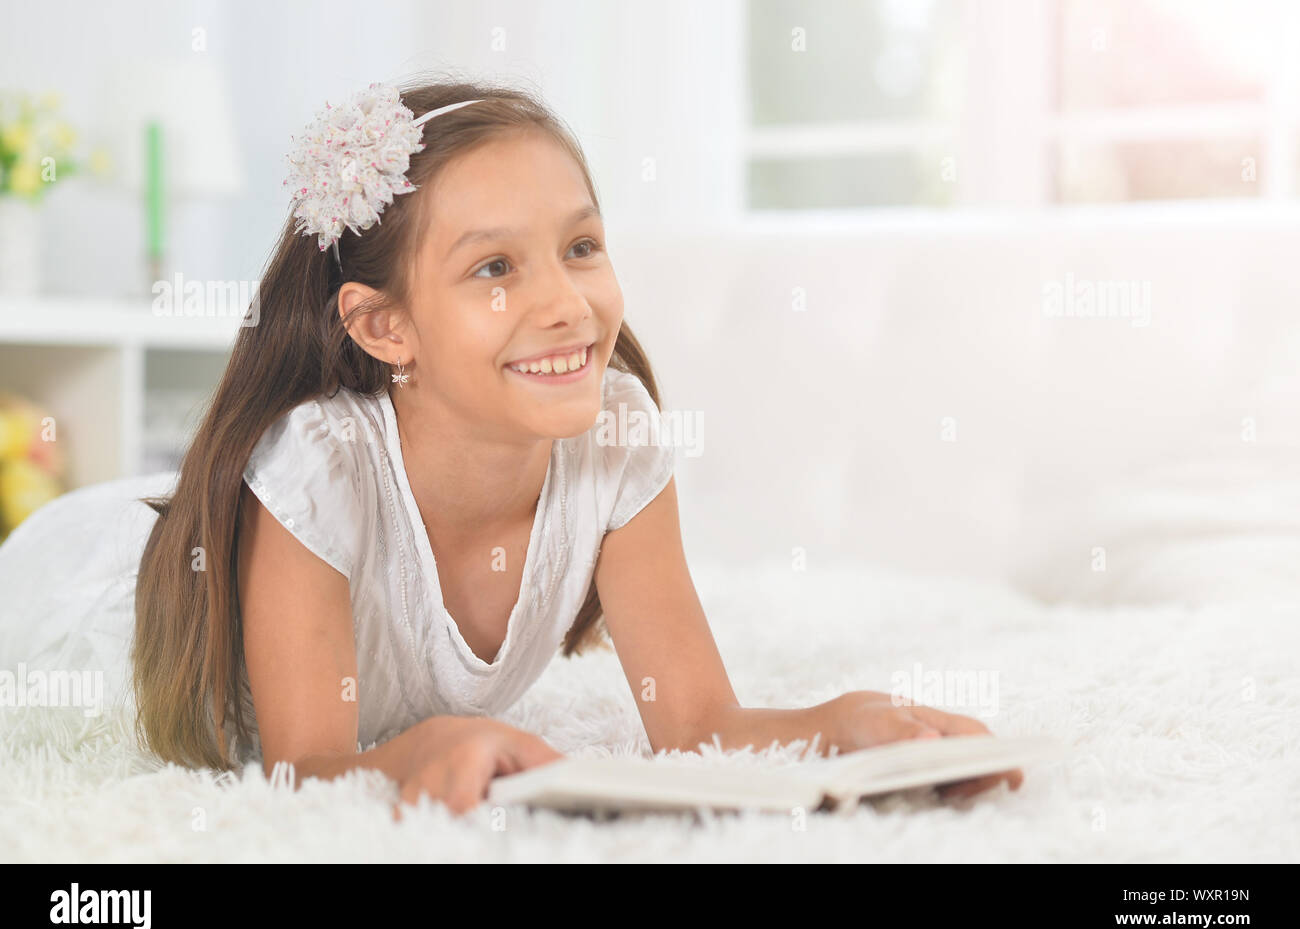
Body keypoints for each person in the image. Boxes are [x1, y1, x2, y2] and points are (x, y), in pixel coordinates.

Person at [0, 76, 1022, 817]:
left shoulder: (614, 438)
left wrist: (837, 722)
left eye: (580, 246)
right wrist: (415, 751)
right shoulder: (321, 472)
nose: (567, 302)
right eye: (494, 266)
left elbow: (698, 720)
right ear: (382, 326)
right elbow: (302, 769)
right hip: (85, 592)